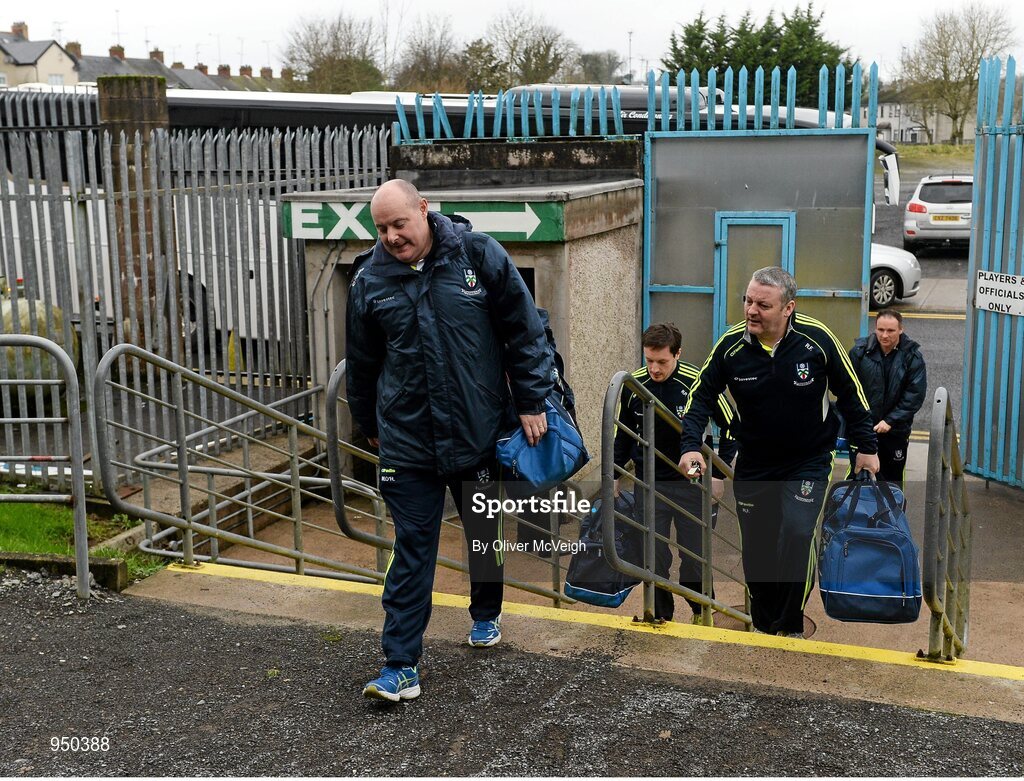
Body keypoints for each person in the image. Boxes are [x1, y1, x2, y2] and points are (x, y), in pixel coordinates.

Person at [346, 179, 553, 702]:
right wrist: (369, 424)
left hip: (476, 431)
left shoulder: (478, 255)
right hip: (407, 440)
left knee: (483, 533)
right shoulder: (369, 279)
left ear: (423, 209)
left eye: (399, 224)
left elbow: (524, 330)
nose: (392, 237)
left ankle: (486, 613)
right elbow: (362, 363)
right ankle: (400, 664)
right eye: (382, 228)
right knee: (413, 548)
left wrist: (531, 400)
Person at [679, 267, 879, 638]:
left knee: (798, 534)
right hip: (755, 463)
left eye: (763, 305)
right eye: (748, 301)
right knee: (758, 548)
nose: (751, 310)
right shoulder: (731, 346)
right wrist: (691, 446)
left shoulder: (817, 340)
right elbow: (700, 397)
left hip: (809, 460)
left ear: (788, 308)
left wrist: (866, 447)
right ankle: (763, 623)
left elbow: (852, 393)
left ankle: (789, 626)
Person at [613, 323, 737, 623]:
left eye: (662, 362)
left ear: (678, 354)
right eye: (649, 360)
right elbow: (623, 436)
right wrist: (614, 474)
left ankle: (700, 611)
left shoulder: (697, 382)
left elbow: (732, 426)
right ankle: (660, 615)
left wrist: (718, 475)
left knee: (694, 557)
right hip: (649, 481)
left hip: (692, 480)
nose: (654, 369)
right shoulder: (634, 385)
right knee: (653, 556)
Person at [848, 309, 927, 487]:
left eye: (890, 330)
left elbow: (914, 395)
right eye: (880, 329)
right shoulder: (859, 353)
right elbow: (849, 390)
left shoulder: (912, 357)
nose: (884, 335)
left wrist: (890, 420)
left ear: (901, 330)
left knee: (892, 482)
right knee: (859, 478)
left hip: (895, 432)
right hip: (864, 430)